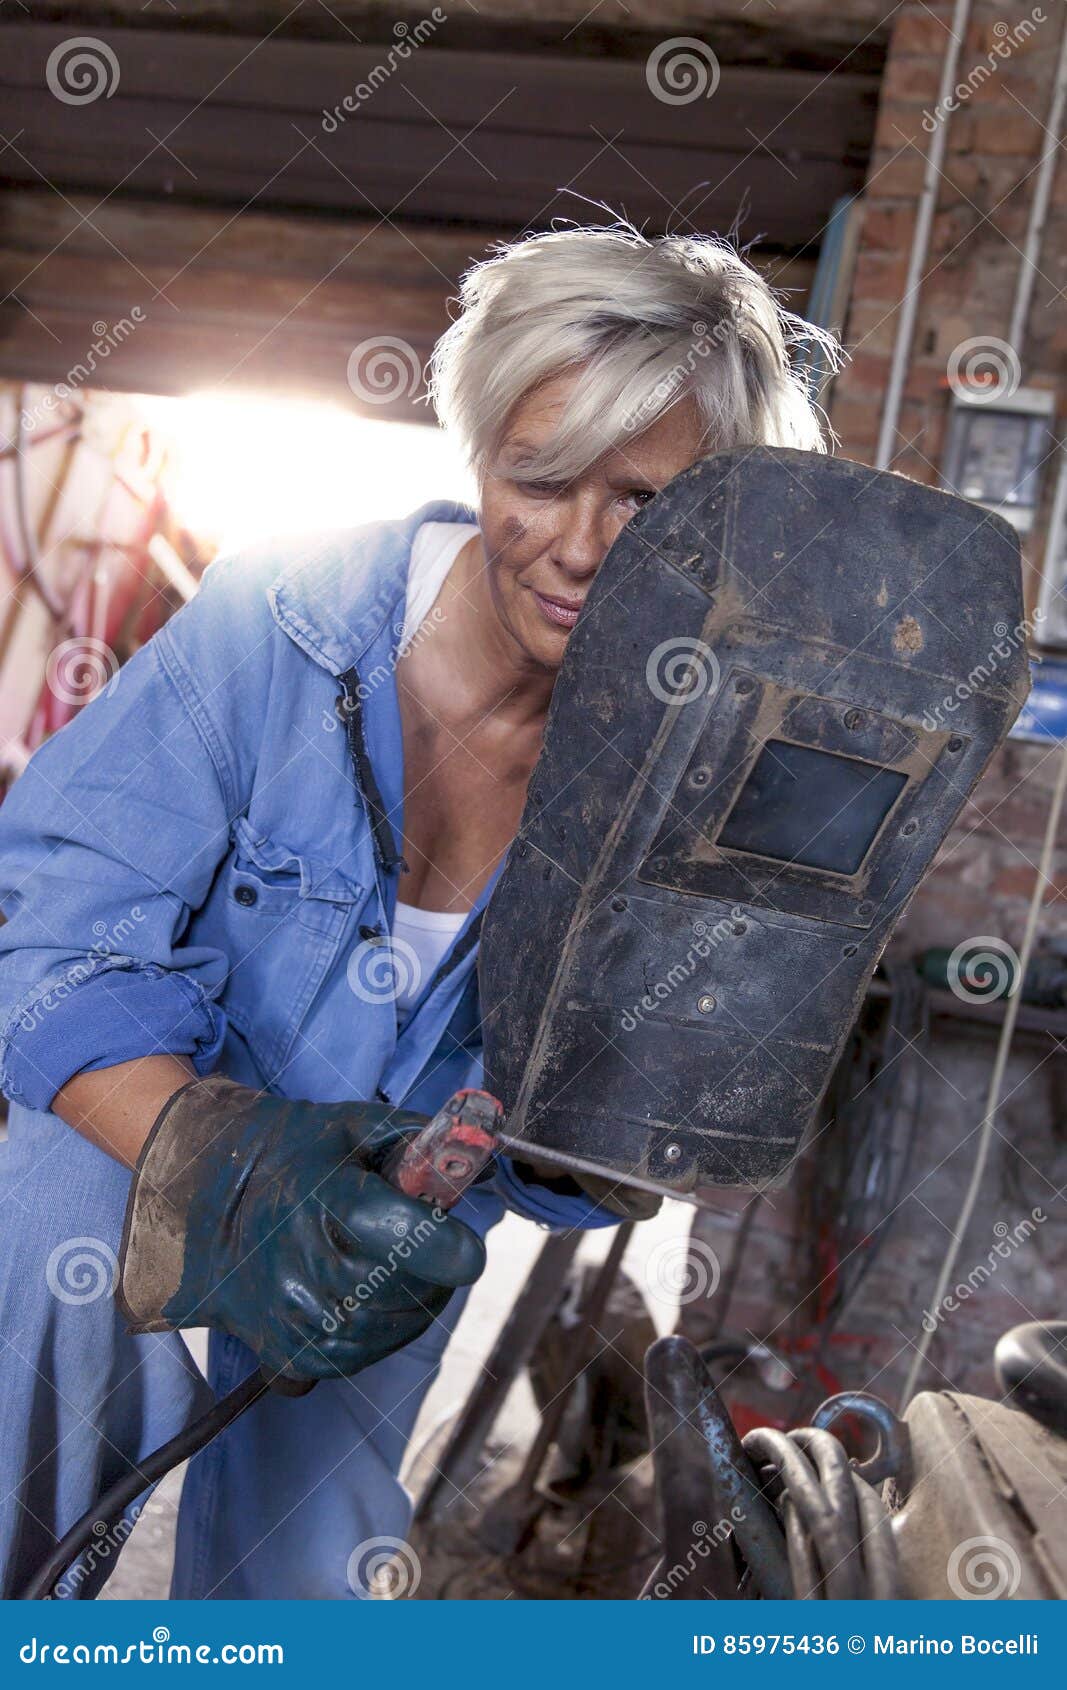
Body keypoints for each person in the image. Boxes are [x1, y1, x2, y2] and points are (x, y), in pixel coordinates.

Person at [0, 223, 836, 1599]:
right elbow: (52, 930)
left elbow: (555, 1137)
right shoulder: (282, 619)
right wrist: (237, 1173)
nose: (577, 548)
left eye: (644, 502)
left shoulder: (667, 776)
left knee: (319, 1571)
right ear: (480, 452)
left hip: (389, 1200)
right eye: (539, 478)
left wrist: (581, 1145)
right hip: (151, 1123)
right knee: (50, 1225)